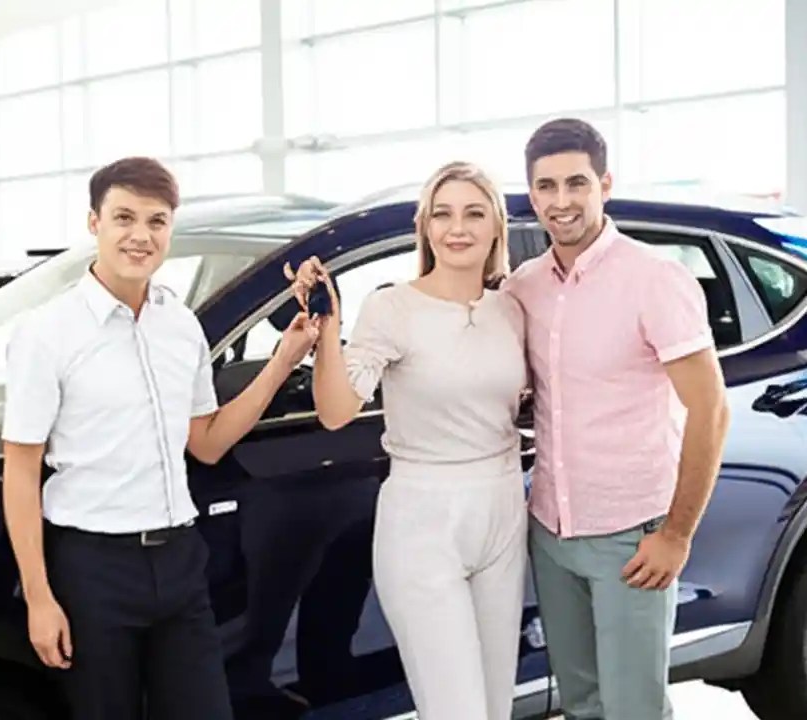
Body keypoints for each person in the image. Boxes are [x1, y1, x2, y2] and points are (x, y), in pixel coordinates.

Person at [0, 156, 319, 720]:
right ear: (94, 223)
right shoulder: (46, 333)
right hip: (93, 568)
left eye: (157, 220)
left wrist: (282, 361)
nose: (140, 235)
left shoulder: (181, 325)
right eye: (124, 217)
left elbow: (208, 443)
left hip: (179, 560)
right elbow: (21, 473)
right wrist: (40, 598)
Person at [504, 118, 731, 720]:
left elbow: (710, 409)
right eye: (546, 187)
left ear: (605, 184)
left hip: (632, 534)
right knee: (580, 706)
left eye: (576, 183)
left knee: (634, 710)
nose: (561, 201)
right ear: (532, 196)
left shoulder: (655, 278)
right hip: (552, 533)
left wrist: (676, 536)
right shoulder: (525, 287)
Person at [286, 161, 529, 719]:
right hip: (423, 520)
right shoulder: (392, 306)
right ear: (426, 227)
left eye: (474, 213)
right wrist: (328, 328)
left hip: (502, 508)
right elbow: (336, 411)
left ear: (496, 227)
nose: (457, 227)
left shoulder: (510, 309)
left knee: (495, 709)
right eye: (442, 214)